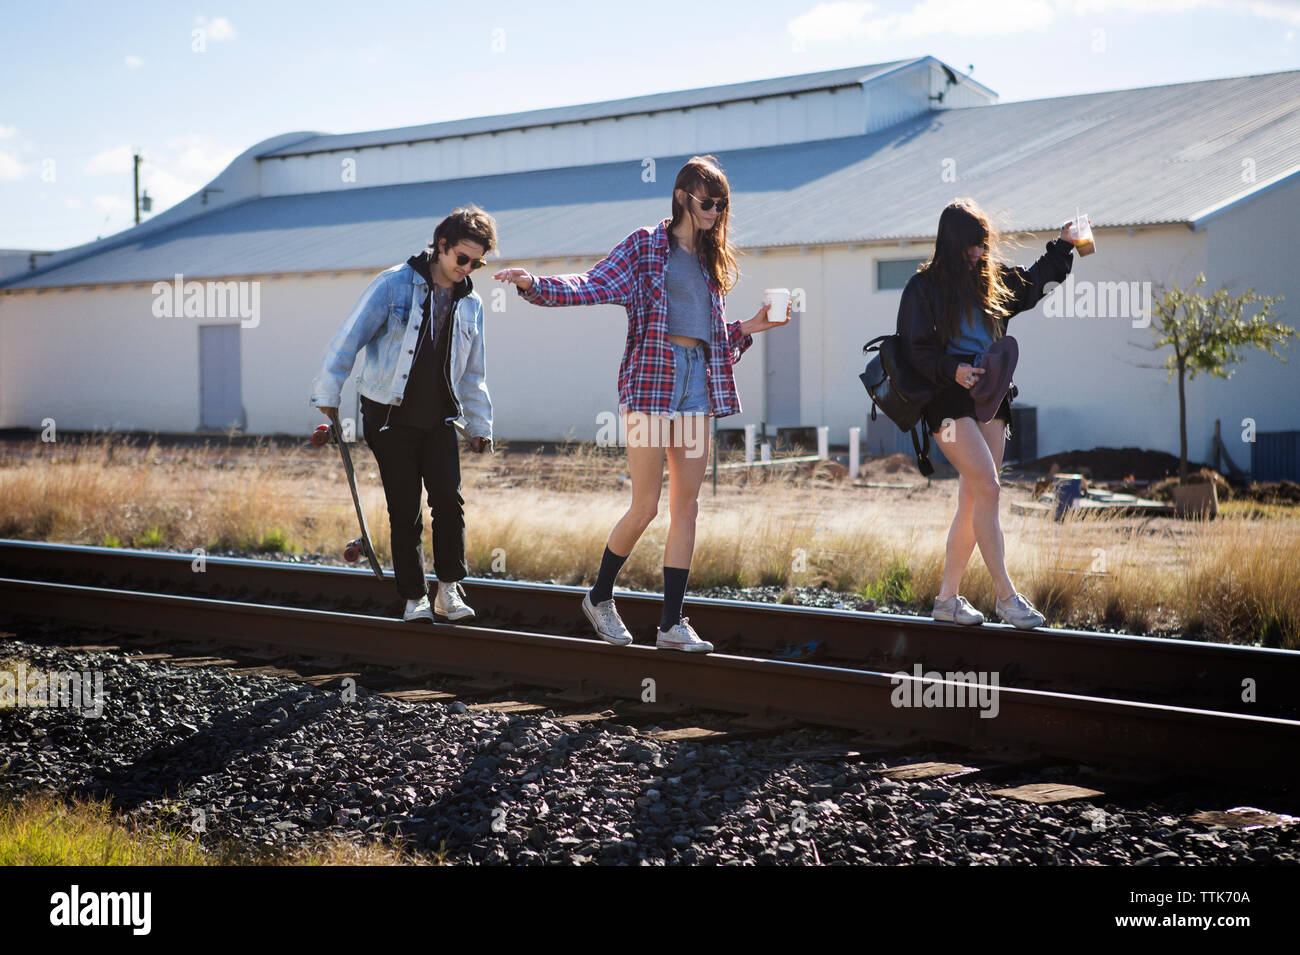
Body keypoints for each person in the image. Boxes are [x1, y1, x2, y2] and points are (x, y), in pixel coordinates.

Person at [494, 155, 788, 653]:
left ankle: (671, 623)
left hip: (697, 384)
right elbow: (591, 284)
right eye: (707, 202)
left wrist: (753, 326)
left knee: (687, 507)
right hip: (652, 382)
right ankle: (599, 596)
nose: (715, 211)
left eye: (722, 204)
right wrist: (534, 285)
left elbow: (712, 336)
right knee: (646, 505)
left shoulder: (710, 262)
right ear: (681, 197)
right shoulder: (645, 246)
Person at [310, 206, 496, 623]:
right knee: (405, 508)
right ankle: (414, 597)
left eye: (477, 262)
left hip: (440, 418)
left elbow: (474, 370)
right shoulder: (393, 285)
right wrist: (328, 392)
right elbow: (349, 337)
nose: (467, 269)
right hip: (388, 414)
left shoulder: (472, 303)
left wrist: (480, 424)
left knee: (449, 501)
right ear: (442, 246)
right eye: (462, 258)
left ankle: (449, 590)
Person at [897, 198, 1076, 629]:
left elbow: (1035, 284)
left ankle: (946, 601)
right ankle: (1006, 597)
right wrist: (951, 370)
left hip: (992, 397)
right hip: (946, 400)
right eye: (970, 247)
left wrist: (1064, 246)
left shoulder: (991, 281)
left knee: (975, 497)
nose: (977, 254)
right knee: (990, 488)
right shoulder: (923, 289)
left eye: (983, 246)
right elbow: (912, 350)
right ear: (951, 244)